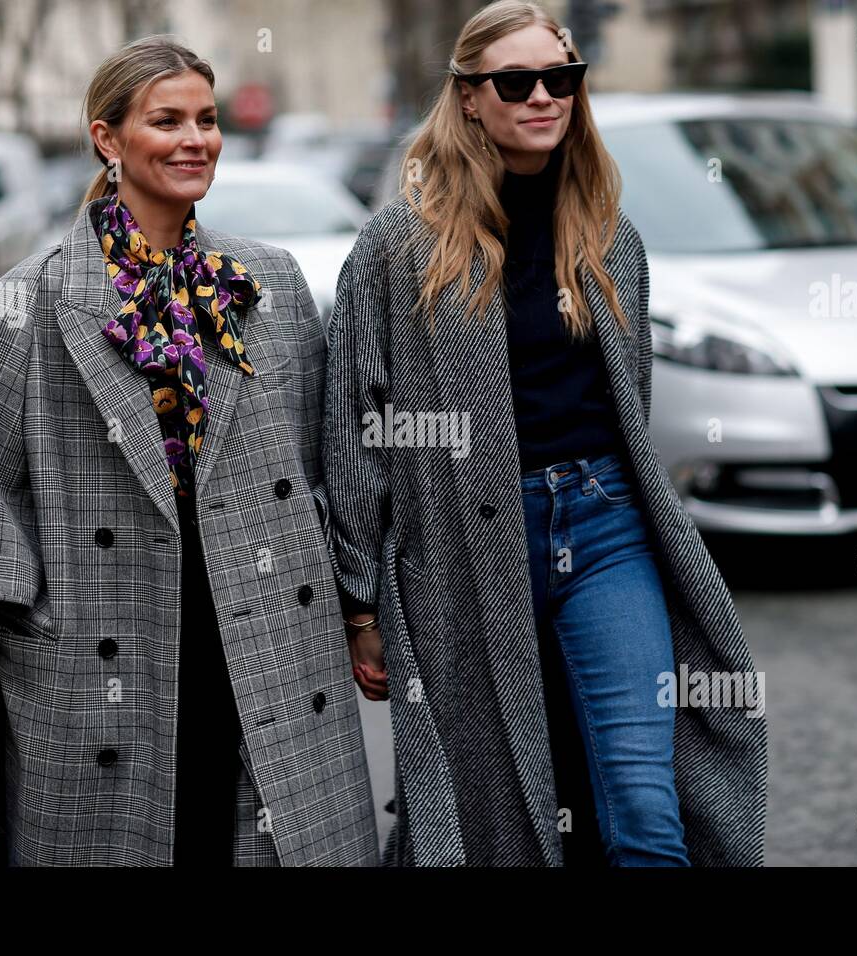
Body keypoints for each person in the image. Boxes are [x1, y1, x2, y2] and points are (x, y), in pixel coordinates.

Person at [0, 35, 378, 866]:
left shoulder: (267, 282)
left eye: (206, 120)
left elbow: (324, 466)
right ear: (108, 140)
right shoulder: (27, 302)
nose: (195, 139)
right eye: (165, 120)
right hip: (101, 650)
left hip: (264, 635)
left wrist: (358, 608)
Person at [322, 0, 766, 866]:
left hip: (604, 527)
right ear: (469, 99)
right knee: (490, 803)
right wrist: (359, 602)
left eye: (558, 79)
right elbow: (356, 432)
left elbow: (627, 409)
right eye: (515, 81)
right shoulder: (395, 250)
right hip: (460, 546)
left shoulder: (610, 238)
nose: (541, 97)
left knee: (645, 802)